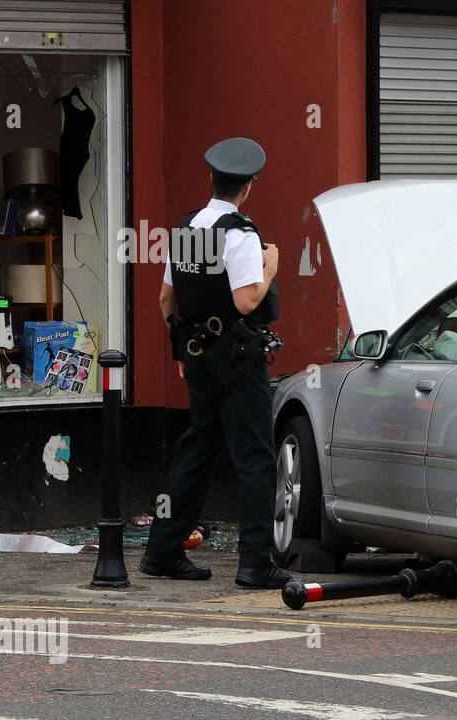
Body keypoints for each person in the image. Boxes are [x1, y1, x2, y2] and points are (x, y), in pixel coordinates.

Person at [138, 137, 292, 588]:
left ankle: (162, 550)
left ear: (211, 178)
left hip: (198, 356)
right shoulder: (241, 234)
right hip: (238, 359)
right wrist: (270, 266)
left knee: (197, 449)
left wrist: (182, 349)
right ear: (248, 187)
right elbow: (246, 301)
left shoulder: (186, 228)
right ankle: (255, 563)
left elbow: (166, 299)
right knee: (255, 456)